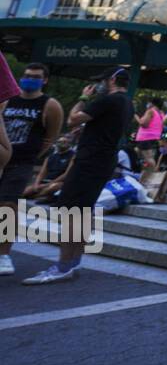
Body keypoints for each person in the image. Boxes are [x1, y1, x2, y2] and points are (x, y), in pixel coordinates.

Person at [22, 66, 134, 285]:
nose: (97, 85)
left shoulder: (107, 101)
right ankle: (73, 261)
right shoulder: (127, 103)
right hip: (103, 161)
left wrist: (83, 97)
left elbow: (72, 119)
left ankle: (63, 265)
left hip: (89, 160)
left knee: (71, 212)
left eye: (101, 80)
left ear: (111, 79)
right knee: (83, 212)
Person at [1, 63, 65, 276]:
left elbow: (50, 136)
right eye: (27, 75)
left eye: (35, 76)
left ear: (44, 80)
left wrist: (32, 156)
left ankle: (3, 254)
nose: (30, 79)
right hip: (2, 159)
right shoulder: (8, 100)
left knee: (8, 205)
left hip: (21, 162)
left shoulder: (50, 105)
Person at [134, 96, 164, 161]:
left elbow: (144, 124)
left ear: (152, 103)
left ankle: (152, 171)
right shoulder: (161, 113)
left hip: (145, 138)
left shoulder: (150, 111)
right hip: (156, 138)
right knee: (136, 154)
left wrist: (135, 116)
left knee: (148, 158)